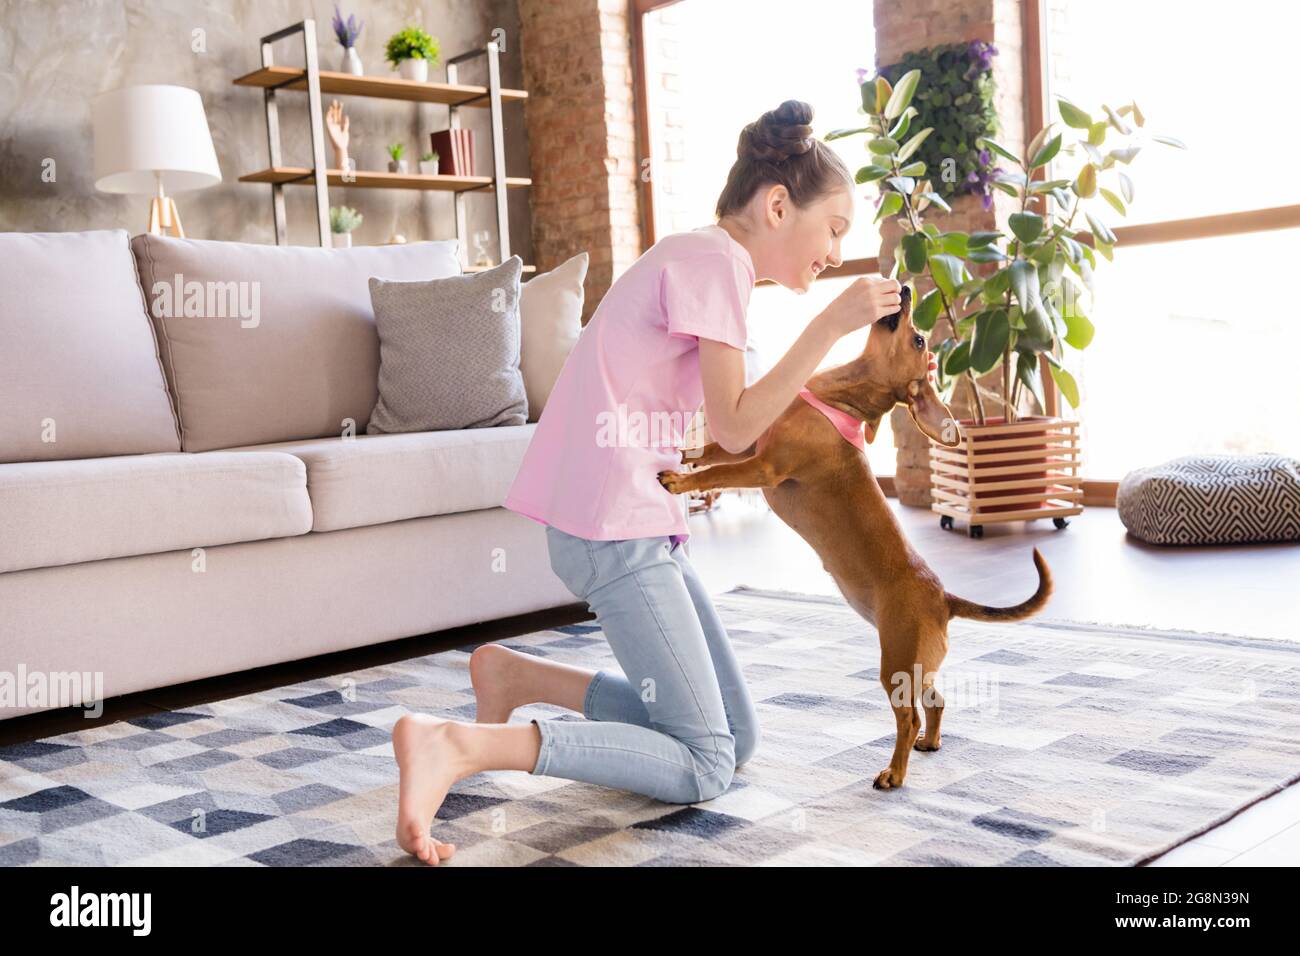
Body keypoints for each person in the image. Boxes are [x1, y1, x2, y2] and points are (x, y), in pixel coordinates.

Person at [392, 99, 935, 865]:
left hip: (636, 516)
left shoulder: (707, 261)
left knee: (733, 736)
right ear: (778, 205)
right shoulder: (716, 265)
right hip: (613, 525)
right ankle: (458, 745)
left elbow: (722, 430)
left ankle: (516, 676)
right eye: (837, 228)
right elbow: (740, 427)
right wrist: (830, 325)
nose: (836, 253)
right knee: (706, 762)